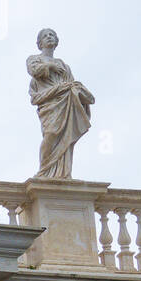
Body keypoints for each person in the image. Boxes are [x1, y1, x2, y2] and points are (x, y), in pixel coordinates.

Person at [27, 28, 93, 178]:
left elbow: (70, 83)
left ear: (56, 42)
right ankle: (44, 171)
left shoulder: (64, 65)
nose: (49, 37)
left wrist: (77, 90)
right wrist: (50, 66)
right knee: (50, 134)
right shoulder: (34, 59)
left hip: (65, 103)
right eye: (45, 36)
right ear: (39, 43)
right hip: (49, 105)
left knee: (66, 137)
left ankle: (63, 173)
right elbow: (34, 70)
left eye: (52, 35)